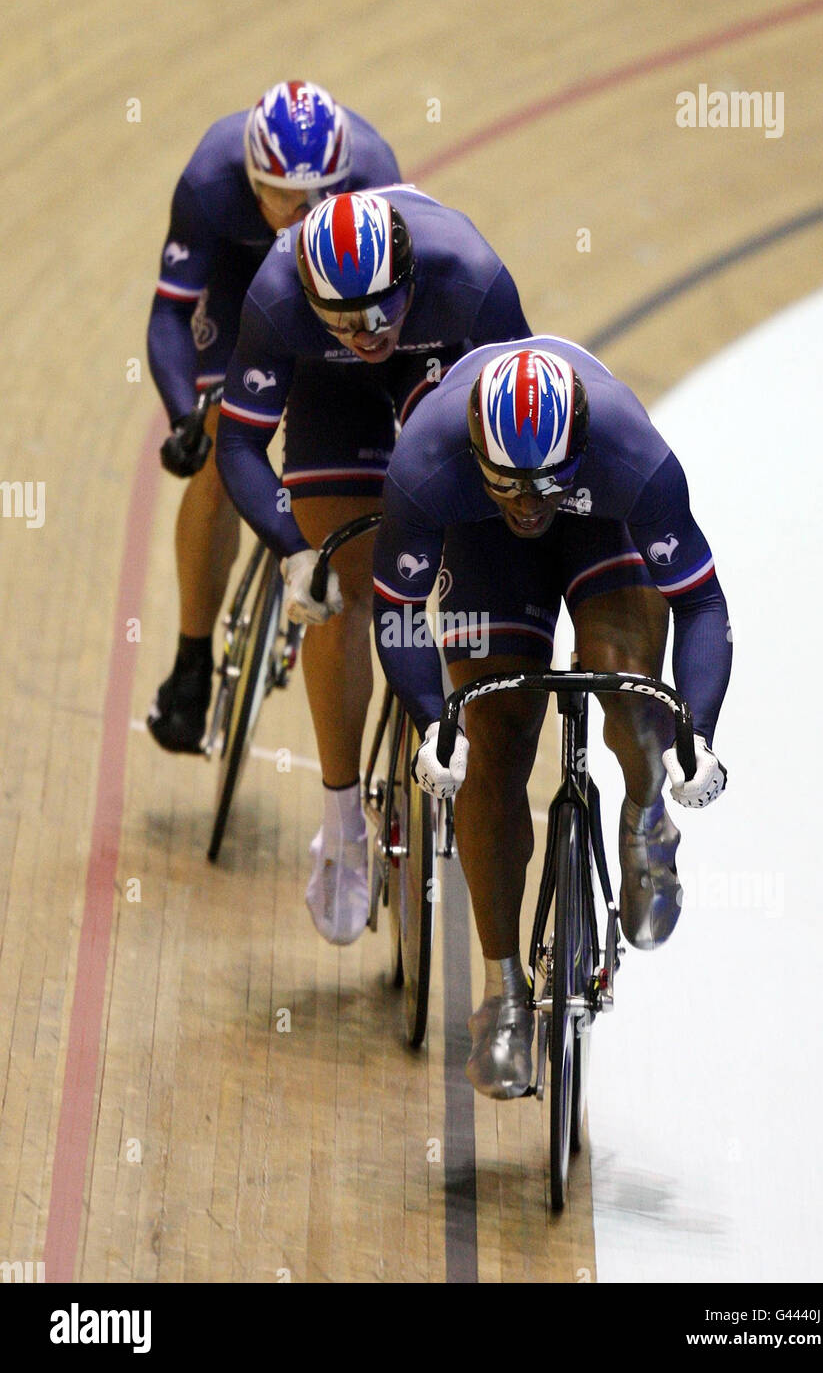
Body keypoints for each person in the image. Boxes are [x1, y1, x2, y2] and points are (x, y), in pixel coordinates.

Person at [371, 339, 731, 1098]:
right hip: (480, 541)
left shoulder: (631, 451)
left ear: (580, 443)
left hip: (598, 518)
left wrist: (695, 733)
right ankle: (503, 995)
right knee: (493, 741)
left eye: (544, 485)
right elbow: (394, 612)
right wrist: (436, 721)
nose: (529, 502)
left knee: (629, 685)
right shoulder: (427, 462)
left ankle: (644, 822)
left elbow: (700, 600)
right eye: (512, 483)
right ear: (475, 448)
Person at [214, 188, 532, 945]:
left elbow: (518, 421)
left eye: (382, 311)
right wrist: (296, 553)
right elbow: (237, 444)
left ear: (410, 278)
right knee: (340, 589)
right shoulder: (277, 296)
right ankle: (342, 822)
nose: (370, 332)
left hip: (441, 366)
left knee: (474, 525)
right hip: (330, 394)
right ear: (309, 296)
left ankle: (446, 725)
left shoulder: (471, 278)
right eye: (348, 320)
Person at [145, 81, 400, 753]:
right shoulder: (209, 180)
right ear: (251, 176)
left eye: (318, 193)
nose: (302, 209)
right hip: (238, 287)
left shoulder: (374, 177)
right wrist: (181, 417)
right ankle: (192, 661)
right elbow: (171, 310)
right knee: (218, 446)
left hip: (329, 289)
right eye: (283, 196)